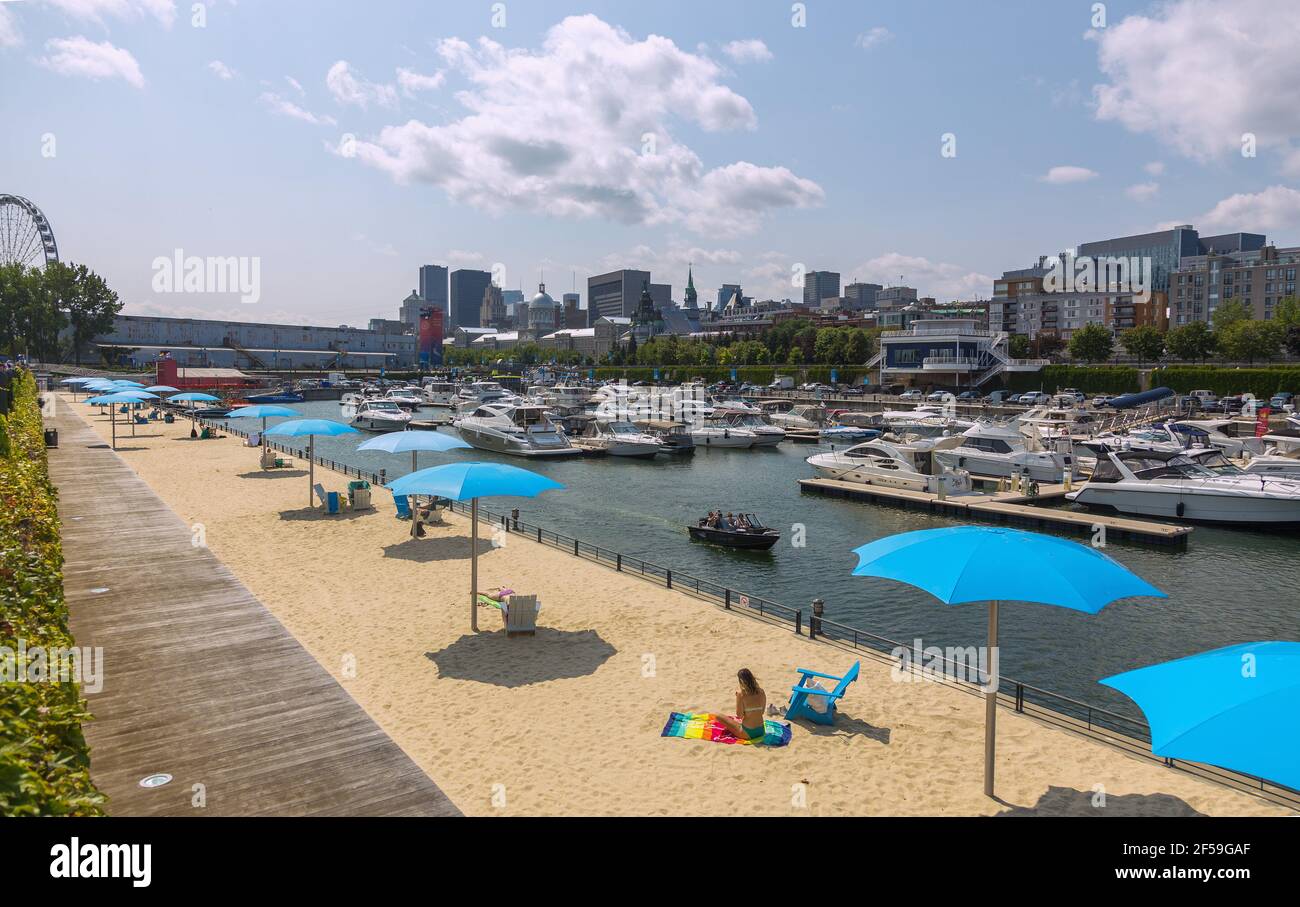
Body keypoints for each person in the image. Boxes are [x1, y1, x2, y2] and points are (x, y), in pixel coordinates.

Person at [715, 669, 767, 742]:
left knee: (718, 716)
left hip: (747, 732)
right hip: (761, 731)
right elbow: (762, 712)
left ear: (741, 681)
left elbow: (740, 715)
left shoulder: (741, 694)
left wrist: (738, 699)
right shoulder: (761, 692)